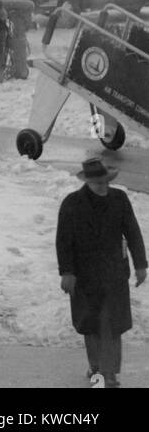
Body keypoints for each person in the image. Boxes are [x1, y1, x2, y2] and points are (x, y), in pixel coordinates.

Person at [57, 157, 147, 389]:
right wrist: (67, 272)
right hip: (84, 276)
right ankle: (96, 365)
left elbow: (133, 232)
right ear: (87, 181)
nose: (103, 187)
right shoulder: (72, 204)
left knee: (112, 324)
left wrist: (140, 264)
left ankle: (110, 374)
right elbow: (64, 241)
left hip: (114, 273)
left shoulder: (119, 199)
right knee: (91, 324)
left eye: (106, 182)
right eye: (98, 183)